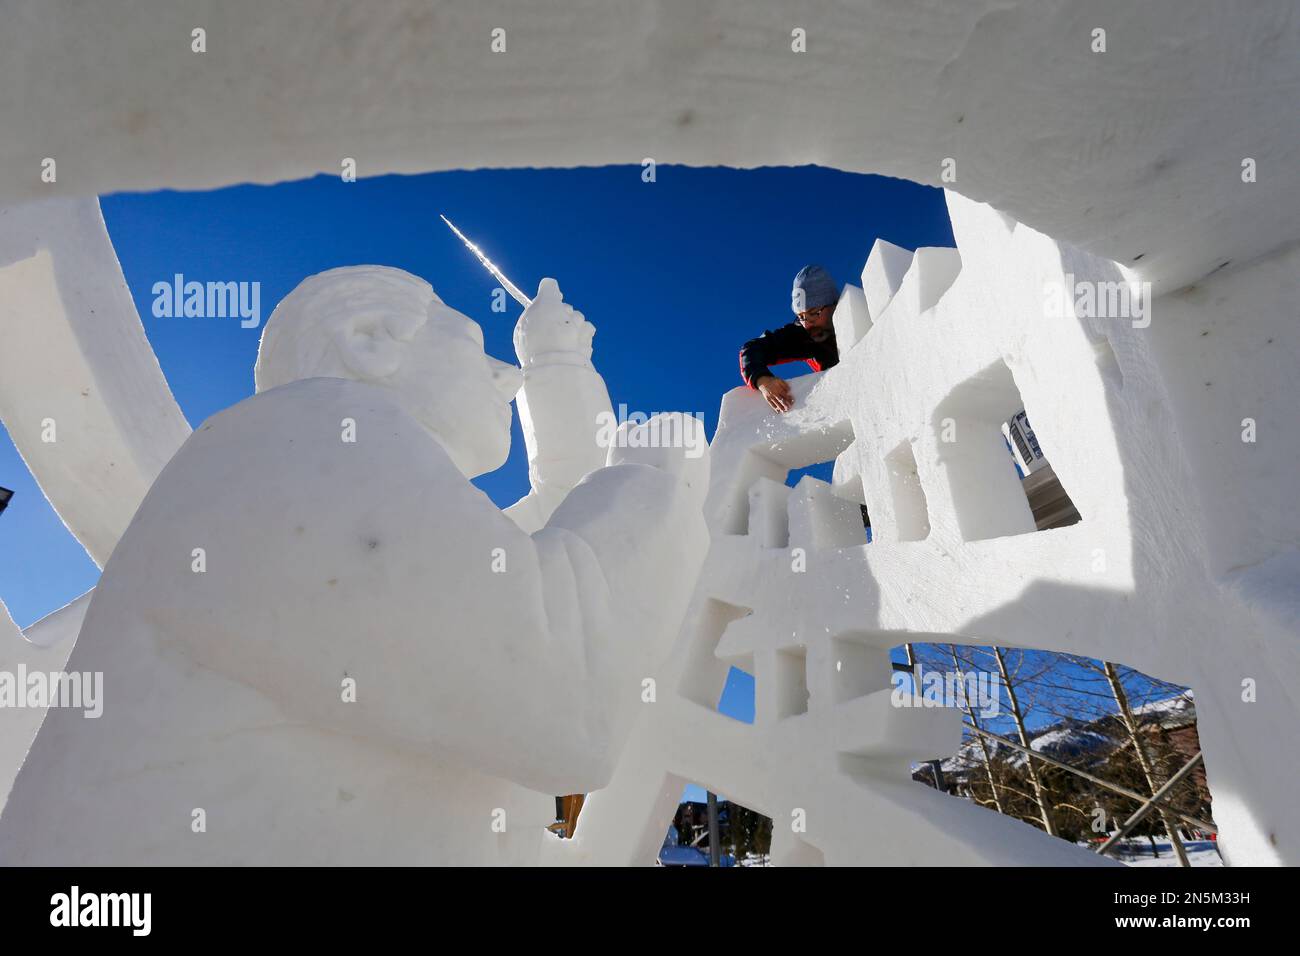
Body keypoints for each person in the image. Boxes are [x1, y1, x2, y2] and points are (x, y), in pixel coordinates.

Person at [738, 264, 839, 413]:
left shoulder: (859, 313)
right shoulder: (803, 335)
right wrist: (762, 379)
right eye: (801, 316)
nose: (807, 324)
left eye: (814, 313)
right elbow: (751, 349)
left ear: (833, 304)